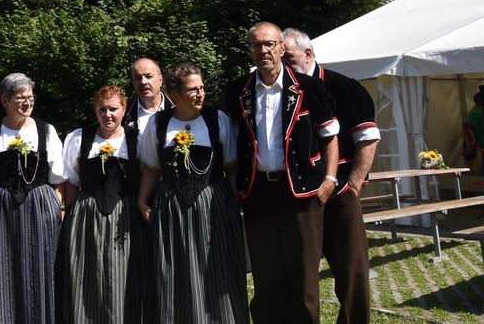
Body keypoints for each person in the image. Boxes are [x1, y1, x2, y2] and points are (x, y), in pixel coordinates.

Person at [224, 22, 339, 324]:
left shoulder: (308, 86)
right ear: (249, 50)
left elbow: (329, 136)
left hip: (301, 193)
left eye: (269, 44)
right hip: (258, 194)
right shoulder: (238, 91)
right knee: (265, 278)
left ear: (281, 48)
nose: (263, 50)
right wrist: (236, 189)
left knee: (304, 280)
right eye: (256, 45)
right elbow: (233, 144)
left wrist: (329, 180)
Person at [282, 28, 379, 324]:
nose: (284, 64)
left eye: (288, 57)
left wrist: (353, 185)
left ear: (308, 54)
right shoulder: (283, 93)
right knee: (302, 275)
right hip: (299, 196)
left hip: (339, 196)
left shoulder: (343, 87)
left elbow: (367, 138)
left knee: (352, 272)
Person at [138, 63, 247, 324]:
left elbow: (231, 167)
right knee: (176, 271)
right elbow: (152, 168)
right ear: (174, 95)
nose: (200, 94)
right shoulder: (159, 123)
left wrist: (235, 204)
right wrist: (143, 200)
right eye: (192, 90)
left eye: (202, 88)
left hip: (214, 204)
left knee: (217, 267)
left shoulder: (216, 119)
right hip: (172, 207)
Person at [0, 72, 65, 324]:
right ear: (5, 101)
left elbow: (58, 178)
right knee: (1, 270)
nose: (27, 103)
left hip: (40, 210)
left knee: (38, 268)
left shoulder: (46, 130)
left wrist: (54, 208)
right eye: (20, 98)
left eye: (30, 97)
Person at [58, 85, 149, 324]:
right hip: (87, 214)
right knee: (87, 271)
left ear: (124, 108)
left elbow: (149, 173)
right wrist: (71, 214)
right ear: (95, 110)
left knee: (123, 274)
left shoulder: (137, 139)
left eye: (113, 109)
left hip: (126, 216)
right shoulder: (79, 138)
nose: (107, 114)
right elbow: (71, 181)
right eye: (102, 109)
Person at [122, 57, 173, 134]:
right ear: (133, 82)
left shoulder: (177, 109)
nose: (143, 82)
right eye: (138, 78)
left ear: (161, 79)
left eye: (149, 76)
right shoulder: (124, 113)